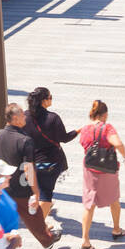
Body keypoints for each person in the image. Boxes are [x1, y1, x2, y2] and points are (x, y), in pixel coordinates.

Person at [0, 103, 62, 249]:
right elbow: (28, 168)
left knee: (4, 221)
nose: (25, 116)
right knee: (34, 218)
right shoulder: (25, 140)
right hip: (21, 189)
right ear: (16, 118)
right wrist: (36, 192)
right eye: (22, 115)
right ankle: (47, 241)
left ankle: (2, 244)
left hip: (4, 188)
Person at [78, 100, 125, 249]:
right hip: (107, 170)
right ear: (105, 114)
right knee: (114, 199)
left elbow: (82, 143)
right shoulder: (107, 127)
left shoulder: (85, 128)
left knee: (89, 204)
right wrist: (124, 154)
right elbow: (117, 143)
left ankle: (85, 240)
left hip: (90, 169)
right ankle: (116, 229)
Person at [24, 87, 78, 230]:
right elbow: (64, 138)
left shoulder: (24, 116)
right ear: (44, 101)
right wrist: (77, 131)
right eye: (50, 97)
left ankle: (40, 210)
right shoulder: (52, 118)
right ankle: (39, 227)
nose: (51, 99)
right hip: (49, 163)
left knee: (36, 189)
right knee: (46, 195)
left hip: (29, 163)